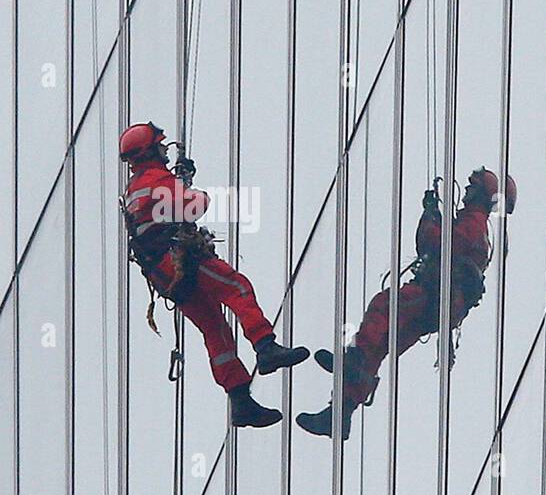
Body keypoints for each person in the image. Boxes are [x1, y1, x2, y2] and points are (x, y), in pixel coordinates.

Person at [296, 167, 516, 440]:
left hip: (431, 294)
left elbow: (433, 243)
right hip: (438, 307)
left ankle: (354, 361)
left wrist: (430, 214)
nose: (466, 191)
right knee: (378, 346)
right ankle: (341, 413)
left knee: (383, 306)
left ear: (482, 195)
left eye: (473, 187)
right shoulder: (477, 227)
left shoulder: (473, 223)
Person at [118, 122, 308, 427]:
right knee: (237, 287)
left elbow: (162, 210)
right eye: (160, 145)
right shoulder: (155, 178)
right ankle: (265, 346)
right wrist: (196, 191)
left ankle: (240, 400)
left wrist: (181, 181)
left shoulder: (137, 186)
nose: (165, 150)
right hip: (178, 258)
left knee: (214, 326)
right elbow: (191, 207)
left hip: (164, 275)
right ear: (150, 150)